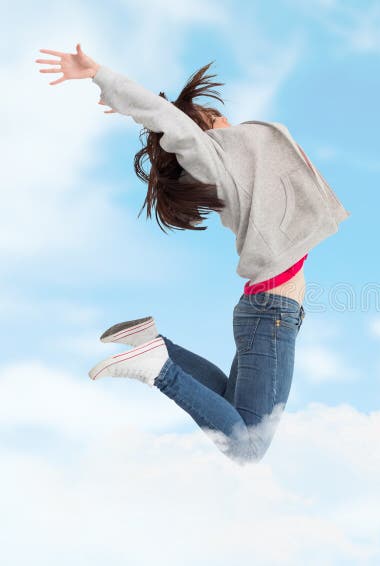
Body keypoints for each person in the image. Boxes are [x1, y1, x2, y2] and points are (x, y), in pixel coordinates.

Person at [35, 43, 351, 465]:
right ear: (206, 128)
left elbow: (167, 119)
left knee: (227, 407)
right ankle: (158, 368)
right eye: (216, 116)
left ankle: (153, 345)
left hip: (267, 309)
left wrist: (144, 111)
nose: (226, 116)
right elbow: (168, 119)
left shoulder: (251, 151)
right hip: (271, 311)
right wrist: (101, 76)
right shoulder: (215, 158)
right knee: (247, 446)